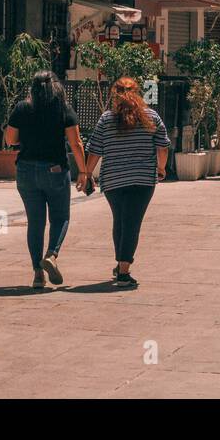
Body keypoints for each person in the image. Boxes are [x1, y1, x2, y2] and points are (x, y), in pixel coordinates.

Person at [77, 77, 171, 287]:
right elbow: (162, 146)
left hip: (113, 180)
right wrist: (161, 167)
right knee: (132, 223)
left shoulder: (106, 119)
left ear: (114, 94)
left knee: (120, 220)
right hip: (142, 180)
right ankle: (124, 271)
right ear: (137, 93)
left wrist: (87, 173)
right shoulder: (151, 117)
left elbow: (95, 149)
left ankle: (121, 262)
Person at [5, 71, 87, 289]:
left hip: (26, 171)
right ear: (56, 88)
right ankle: (51, 254)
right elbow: (76, 143)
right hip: (55, 170)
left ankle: (38, 274)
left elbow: (10, 139)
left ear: (33, 88)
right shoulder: (63, 109)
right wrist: (84, 171)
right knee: (60, 217)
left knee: (35, 222)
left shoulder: (23, 108)